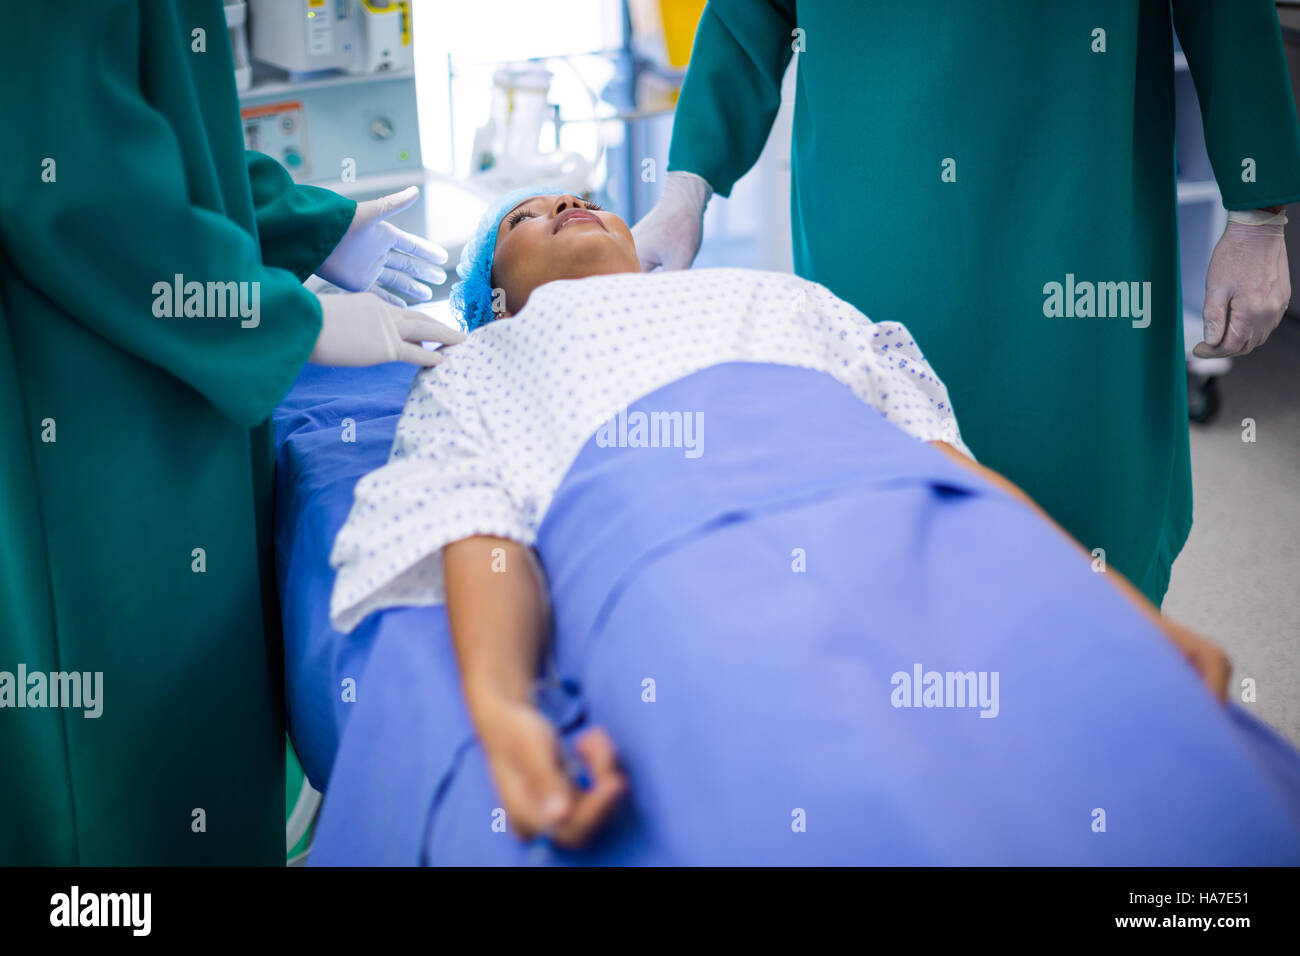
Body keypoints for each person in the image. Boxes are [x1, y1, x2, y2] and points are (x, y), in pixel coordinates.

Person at [324, 193, 1300, 864]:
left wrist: (1116, 604)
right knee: (817, 774)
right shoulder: (492, 361)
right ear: (495, 297)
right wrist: (501, 705)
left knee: (1157, 762)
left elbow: (942, 460)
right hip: (682, 548)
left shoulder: (780, 297)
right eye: (527, 217)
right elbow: (474, 524)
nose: (565, 203)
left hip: (909, 510)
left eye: (576, 193)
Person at [632, 1, 1300, 606]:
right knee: (890, 520)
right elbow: (750, 10)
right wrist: (689, 182)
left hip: (1073, 203)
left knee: (1087, 528)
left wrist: (1257, 212)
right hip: (874, 207)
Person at [0, 1, 462, 864]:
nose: (567, 211)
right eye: (528, 214)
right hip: (90, 411)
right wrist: (288, 318)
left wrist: (305, 223)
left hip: (170, 391)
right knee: (111, 791)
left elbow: (170, 132)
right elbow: (64, 177)